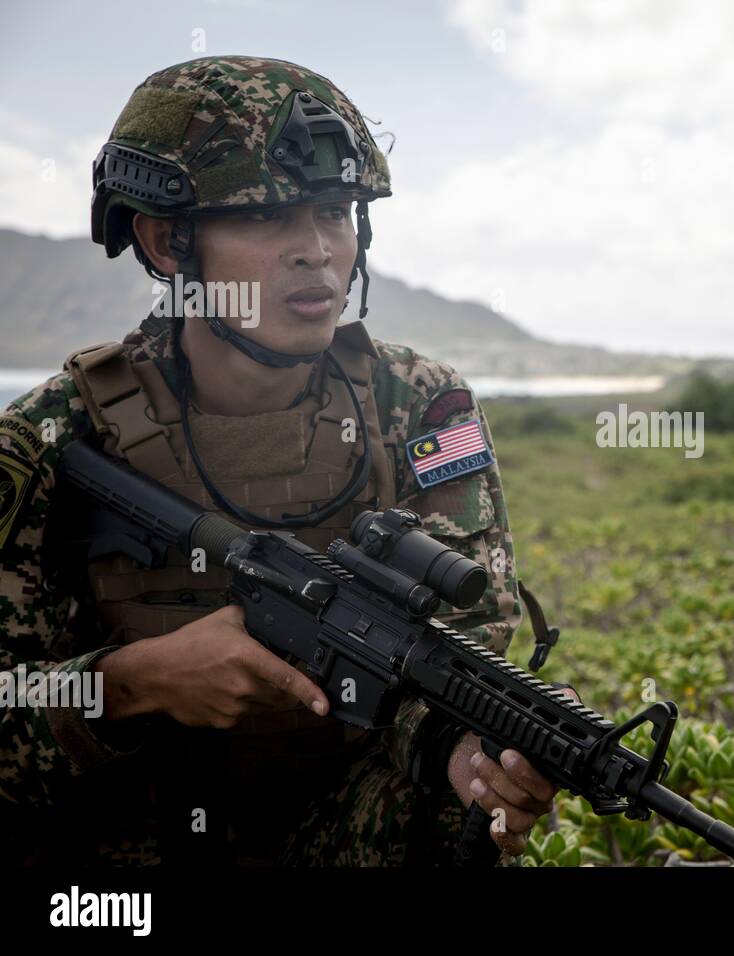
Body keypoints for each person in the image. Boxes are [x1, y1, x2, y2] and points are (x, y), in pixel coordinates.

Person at [0, 56, 567, 866]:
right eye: (267, 219)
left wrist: (463, 750)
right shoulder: (51, 439)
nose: (316, 251)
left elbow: (458, 643)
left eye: (335, 212)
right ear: (168, 240)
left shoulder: (419, 405)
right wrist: (130, 684)